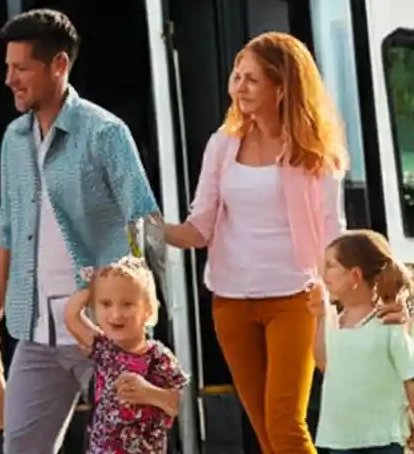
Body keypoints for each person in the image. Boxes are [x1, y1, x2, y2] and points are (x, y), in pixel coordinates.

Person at [151, 31, 381, 454]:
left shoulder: (314, 154)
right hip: (231, 300)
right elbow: (199, 228)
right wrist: (153, 226)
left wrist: (338, 300)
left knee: (285, 423)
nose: (240, 87)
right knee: (263, 427)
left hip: (295, 298)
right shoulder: (222, 146)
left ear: (282, 87)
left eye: (252, 79)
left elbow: (333, 231)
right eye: (237, 77)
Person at [0, 8, 161, 454]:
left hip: (104, 330)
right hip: (35, 335)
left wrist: (134, 319)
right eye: (7, 68)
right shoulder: (13, 140)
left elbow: (143, 224)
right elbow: (6, 233)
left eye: (21, 69)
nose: (9, 80)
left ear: (59, 65)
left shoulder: (105, 133)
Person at [63, 256, 188, 454]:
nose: (116, 314)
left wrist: (148, 392)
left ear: (148, 310)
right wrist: (90, 287)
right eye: (106, 304)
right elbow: (72, 316)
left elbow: (177, 403)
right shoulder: (104, 348)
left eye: (127, 304)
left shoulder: (158, 356)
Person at [309, 230, 414, 454]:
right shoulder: (336, 322)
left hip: (383, 439)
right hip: (341, 440)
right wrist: (319, 317)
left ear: (355, 275)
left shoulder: (389, 324)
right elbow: (323, 363)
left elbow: (410, 377)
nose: (323, 274)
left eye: (330, 265)